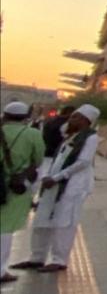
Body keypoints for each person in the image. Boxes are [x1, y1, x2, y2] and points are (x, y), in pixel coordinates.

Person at [15, 105, 100, 273]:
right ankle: (36, 257)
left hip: (72, 186)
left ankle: (59, 260)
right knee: (42, 218)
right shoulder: (70, 135)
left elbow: (83, 162)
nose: (71, 119)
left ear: (85, 120)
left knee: (64, 223)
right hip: (52, 183)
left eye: (75, 117)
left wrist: (57, 178)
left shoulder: (91, 137)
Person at [1, 101, 47, 284]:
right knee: (5, 228)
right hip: (14, 186)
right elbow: (39, 158)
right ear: (25, 117)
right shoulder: (32, 134)